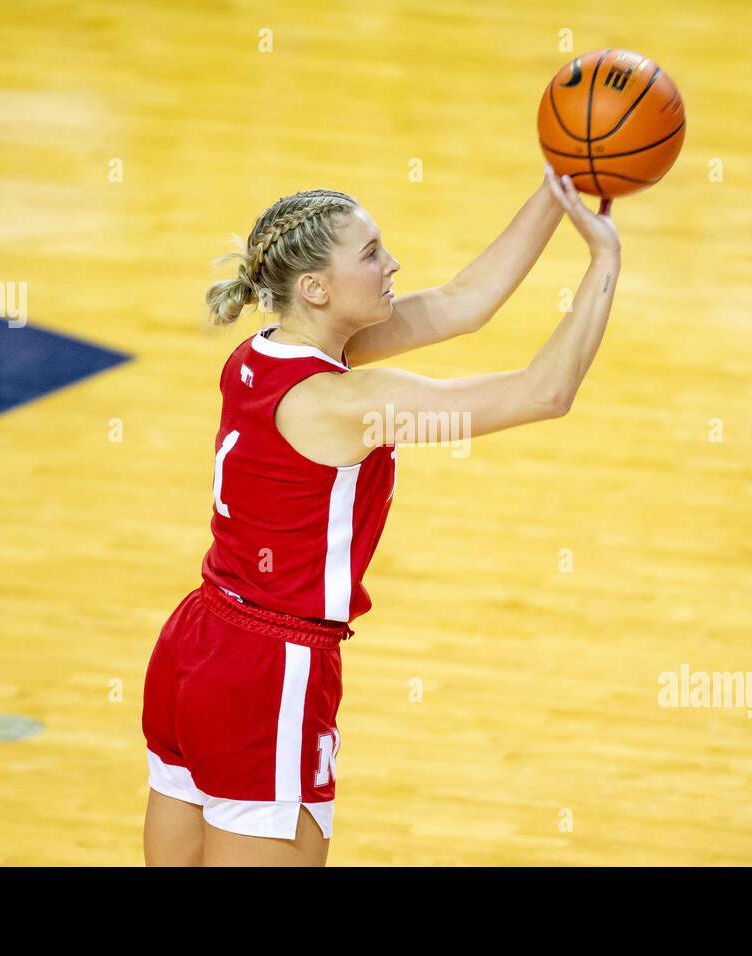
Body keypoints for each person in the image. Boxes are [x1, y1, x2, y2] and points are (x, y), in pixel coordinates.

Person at [142, 165, 621, 866]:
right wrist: (605, 258)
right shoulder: (353, 401)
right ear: (315, 287)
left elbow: (463, 302)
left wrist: (561, 186)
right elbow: (545, 392)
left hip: (196, 643)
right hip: (268, 672)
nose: (392, 262)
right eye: (370, 254)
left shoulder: (265, 354)